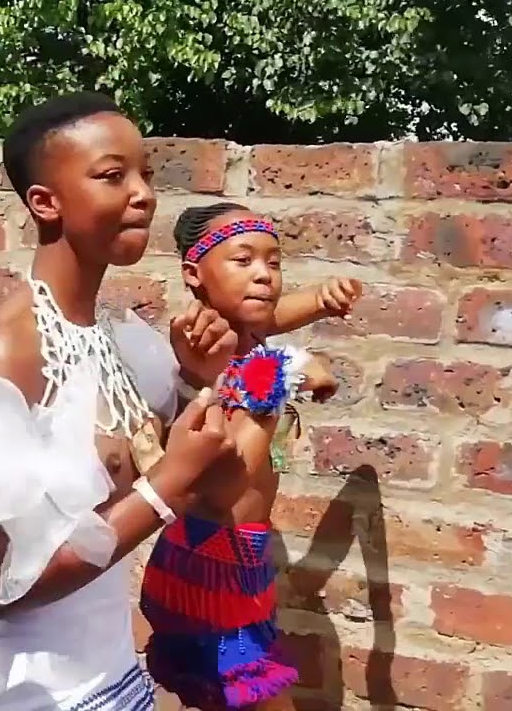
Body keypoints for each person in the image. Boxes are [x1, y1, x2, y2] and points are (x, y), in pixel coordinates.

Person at [0, 92, 242, 711]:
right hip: (22, 691)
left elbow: (194, 476)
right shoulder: (10, 349)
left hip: (110, 674)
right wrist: (163, 488)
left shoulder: (124, 338)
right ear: (46, 202)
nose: (143, 193)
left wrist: (199, 381)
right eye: (113, 175)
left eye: (145, 173)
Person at [139, 204, 361, 710]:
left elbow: (272, 315)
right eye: (243, 260)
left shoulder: (246, 338)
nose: (264, 274)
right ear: (194, 274)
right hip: (216, 573)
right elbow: (227, 479)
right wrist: (286, 370)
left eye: (274, 262)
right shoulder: (207, 345)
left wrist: (322, 302)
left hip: (222, 558)